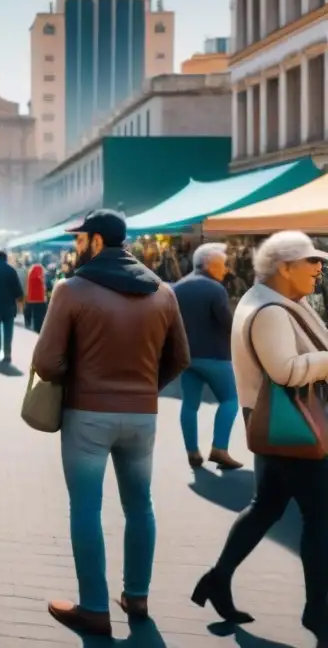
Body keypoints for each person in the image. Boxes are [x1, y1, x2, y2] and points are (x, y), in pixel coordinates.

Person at [31, 209, 190, 636]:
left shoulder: (71, 289)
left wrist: (77, 378)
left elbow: (45, 362)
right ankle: (136, 596)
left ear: (97, 241)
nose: (75, 246)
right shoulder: (163, 292)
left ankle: (94, 607)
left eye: (80, 239)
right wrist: (144, 388)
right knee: (140, 505)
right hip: (142, 416)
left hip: (87, 414)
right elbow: (180, 358)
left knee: (86, 507)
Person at [191, 231, 328, 642]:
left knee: (265, 507)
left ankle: (218, 578)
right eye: (311, 261)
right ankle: (318, 611)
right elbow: (285, 370)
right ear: (284, 267)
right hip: (295, 427)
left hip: (277, 426)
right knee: (320, 518)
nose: (319, 268)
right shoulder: (270, 310)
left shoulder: (273, 301)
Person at [171, 243, 242, 470]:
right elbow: (227, 323)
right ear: (209, 265)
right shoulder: (215, 289)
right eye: (222, 265)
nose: (225, 269)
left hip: (187, 356)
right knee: (230, 400)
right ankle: (219, 449)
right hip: (215, 356)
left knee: (189, 405)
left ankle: (192, 451)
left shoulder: (177, 288)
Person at [24, 261, 48, 332]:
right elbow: (41, 280)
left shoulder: (30, 272)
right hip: (40, 299)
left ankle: (33, 327)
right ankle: (38, 329)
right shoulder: (39, 270)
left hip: (31, 299)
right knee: (39, 316)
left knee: (33, 315)